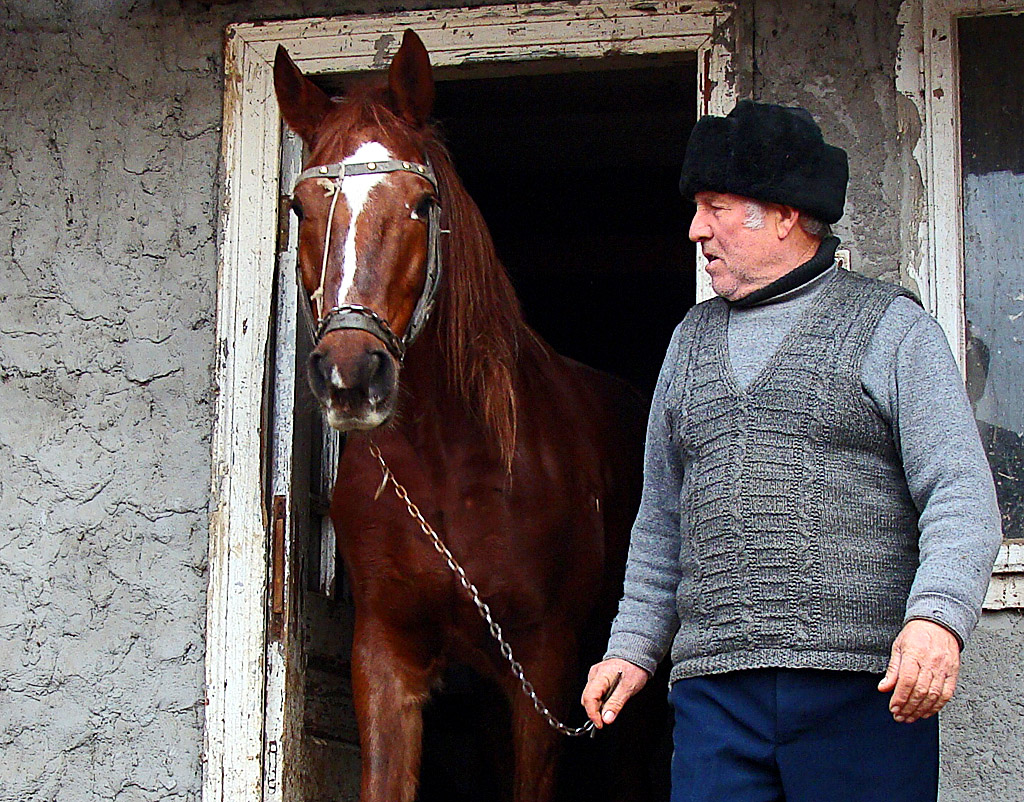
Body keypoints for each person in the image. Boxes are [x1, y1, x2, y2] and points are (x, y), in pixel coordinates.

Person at [581, 100, 1003, 802]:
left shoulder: (890, 328)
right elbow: (661, 523)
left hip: (862, 691)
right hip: (715, 697)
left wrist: (937, 619)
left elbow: (960, 493)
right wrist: (631, 647)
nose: (695, 230)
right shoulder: (688, 342)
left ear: (784, 213)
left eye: (715, 206)